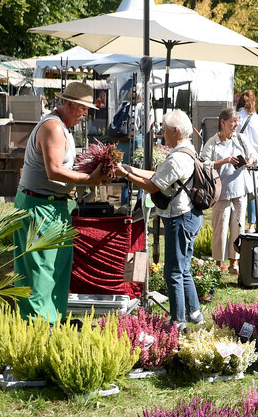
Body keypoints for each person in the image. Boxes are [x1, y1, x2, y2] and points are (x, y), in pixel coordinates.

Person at [14, 82, 110, 321]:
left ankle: (52, 319)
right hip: (38, 206)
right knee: (38, 269)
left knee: (57, 266)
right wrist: (91, 178)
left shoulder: (64, 127)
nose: (86, 114)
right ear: (69, 104)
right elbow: (54, 171)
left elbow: (66, 166)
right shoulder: (53, 127)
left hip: (55, 206)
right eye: (83, 108)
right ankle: (34, 327)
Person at [119, 110, 206, 328]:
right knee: (183, 268)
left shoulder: (176, 158)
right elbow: (158, 176)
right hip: (190, 215)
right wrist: (130, 169)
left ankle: (177, 322)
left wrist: (127, 175)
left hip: (180, 218)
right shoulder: (188, 151)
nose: (162, 134)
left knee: (173, 272)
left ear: (175, 131)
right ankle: (194, 313)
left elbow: (153, 185)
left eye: (164, 130)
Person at [201, 108, 257, 276]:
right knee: (220, 229)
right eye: (233, 121)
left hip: (240, 191)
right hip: (221, 192)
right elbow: (203, 164)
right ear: (223, 122)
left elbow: (253, 154)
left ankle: (234, 263)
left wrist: (249, 161)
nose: (236, 125)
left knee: (238, 228)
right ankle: (218, 265)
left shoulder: (240, 139)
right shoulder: (212, 142)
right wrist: (224, 161)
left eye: (237, 122)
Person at [236, 90, 258, 232]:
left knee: (238, 189)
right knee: (253, 190)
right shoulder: (257, 119)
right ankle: (252, 224)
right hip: (255, 157)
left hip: (238, 156)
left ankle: (238, 221)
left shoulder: (236, 117)